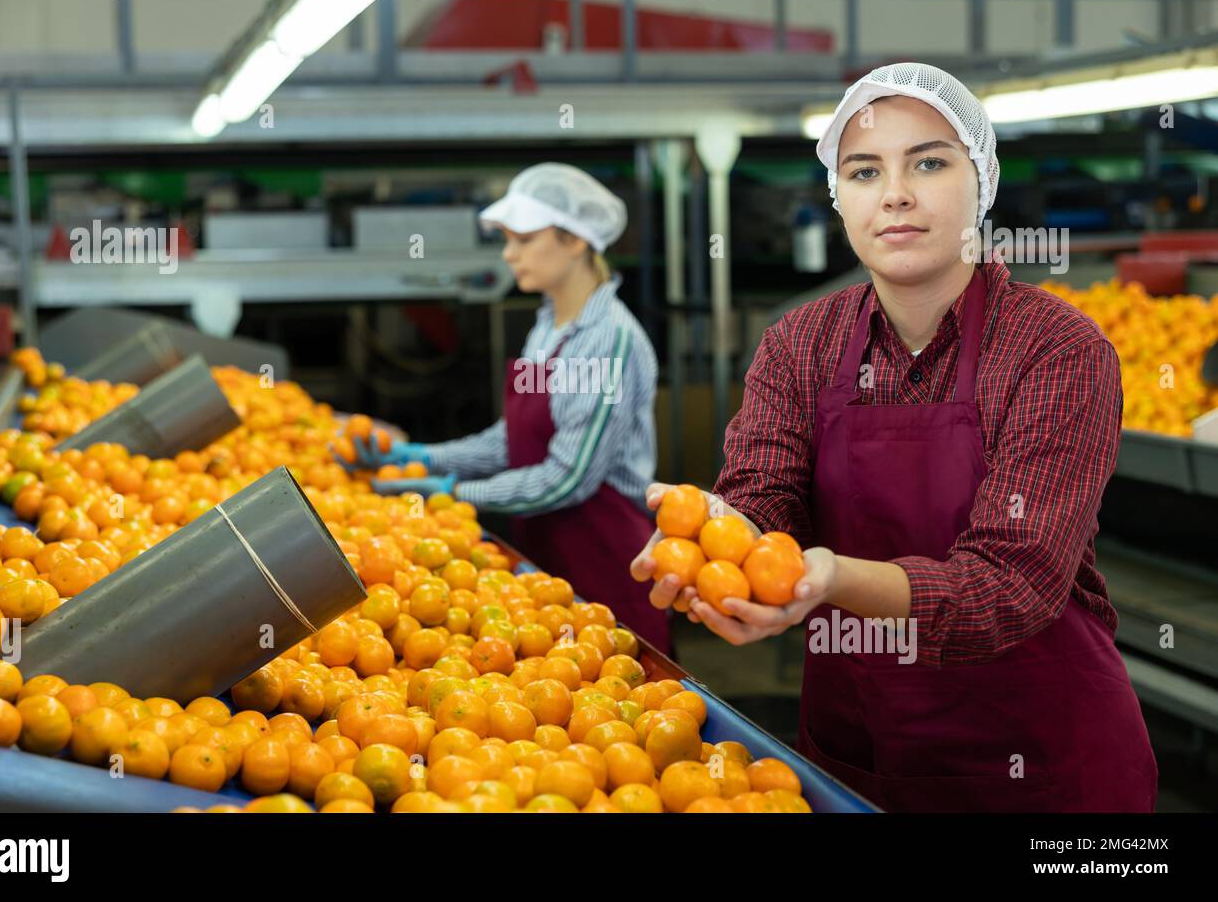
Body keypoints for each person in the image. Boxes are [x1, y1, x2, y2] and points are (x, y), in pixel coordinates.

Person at [632, 62, 1158, 811]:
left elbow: (1014, 582)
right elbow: (762, 496)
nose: (896, 194)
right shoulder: (800, 342)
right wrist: (720, 540)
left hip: (1041, 760)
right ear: (838, 199)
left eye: (931, 163)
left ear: (983, 180)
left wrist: (829, 579)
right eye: (864, 170)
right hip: (859, 749)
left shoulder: (1056, 349)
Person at [359, 162, 671, 653]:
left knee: (614, 692)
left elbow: (568, 478)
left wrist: (453, 491)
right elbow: (512, 441)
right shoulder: (547, 325)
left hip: (608, 560)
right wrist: (421, 456)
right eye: (506, 239)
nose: (508, 254)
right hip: (547, 553)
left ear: (575, 240)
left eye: (523, 239)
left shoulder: (609, 339)